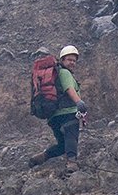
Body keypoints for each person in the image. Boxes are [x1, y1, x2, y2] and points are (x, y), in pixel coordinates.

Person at [28, 45, 87, 173]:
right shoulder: (64, 73)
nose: (72, 63)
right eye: (69, 60)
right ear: (62, 60)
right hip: (68, 112)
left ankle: (42, 157)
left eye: (74, 60)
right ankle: (72, 163)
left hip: (53, 116)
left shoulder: (55, 74)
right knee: (71, 136)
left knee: (62, 145)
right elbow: (68, 89)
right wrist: (79, 102)